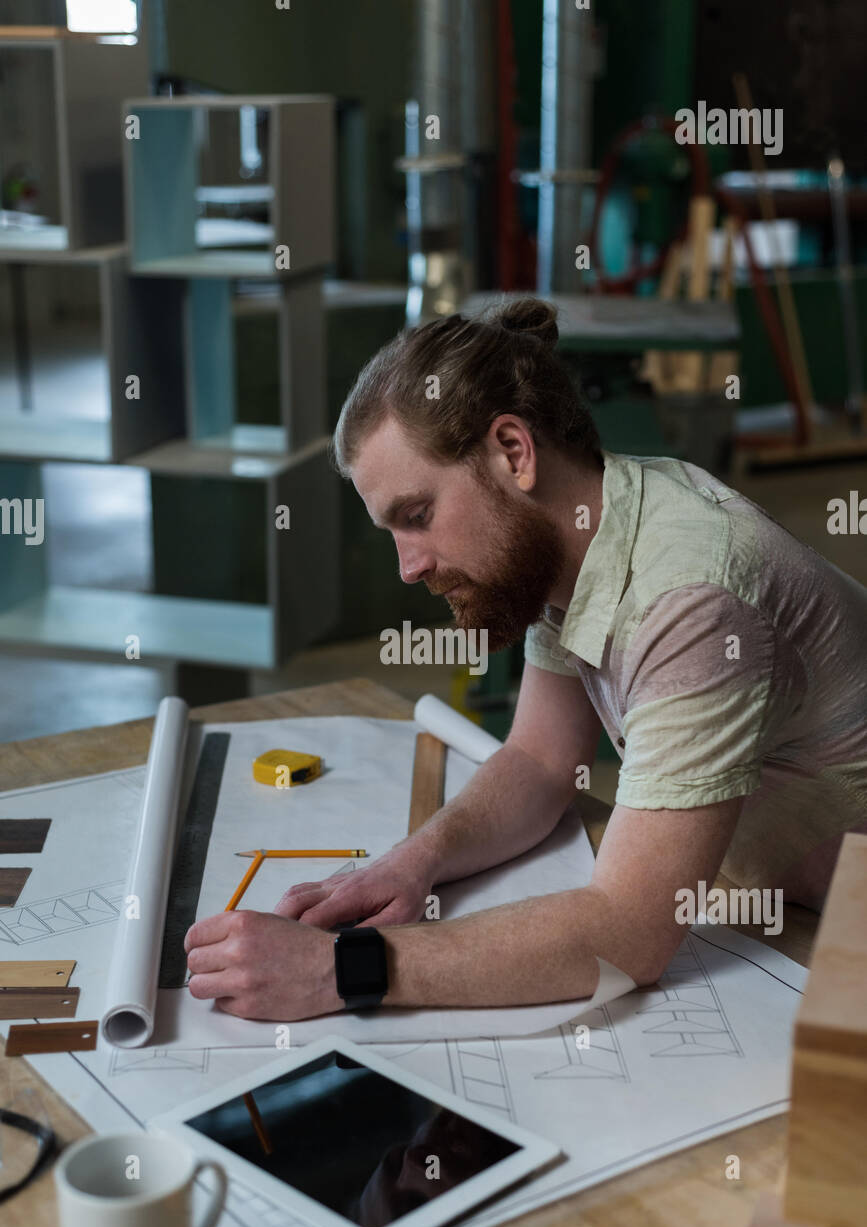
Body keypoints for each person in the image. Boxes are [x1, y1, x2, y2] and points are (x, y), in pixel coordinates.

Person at [185, 298, 867, 1022]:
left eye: (416, 516)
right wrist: (409, 863)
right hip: (776, 900)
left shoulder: (690, 600)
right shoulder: (577, 535)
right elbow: (541, 761)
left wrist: (339, 970)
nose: (407, 567)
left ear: (513, 452)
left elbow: (630, 933)